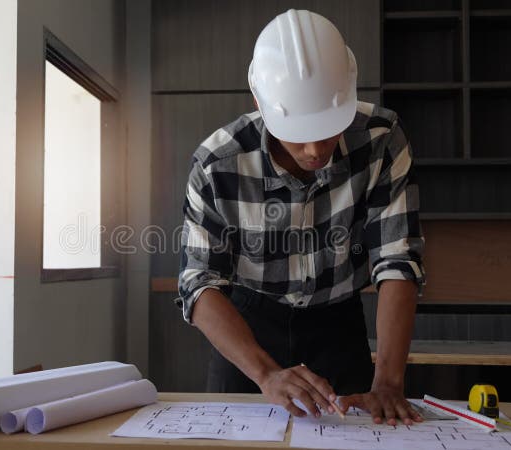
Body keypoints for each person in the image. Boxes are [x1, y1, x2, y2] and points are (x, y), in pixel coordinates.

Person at [177, 9, 425, 426]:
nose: (314, 150)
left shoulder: (382, 140)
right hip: (248, 328)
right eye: (298, 133)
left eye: (328, 128)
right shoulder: (217, 164)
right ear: (260, 103)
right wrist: (266, 373)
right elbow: (198, 282)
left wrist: (388, 382)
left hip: (338, 323)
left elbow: (398, 259)